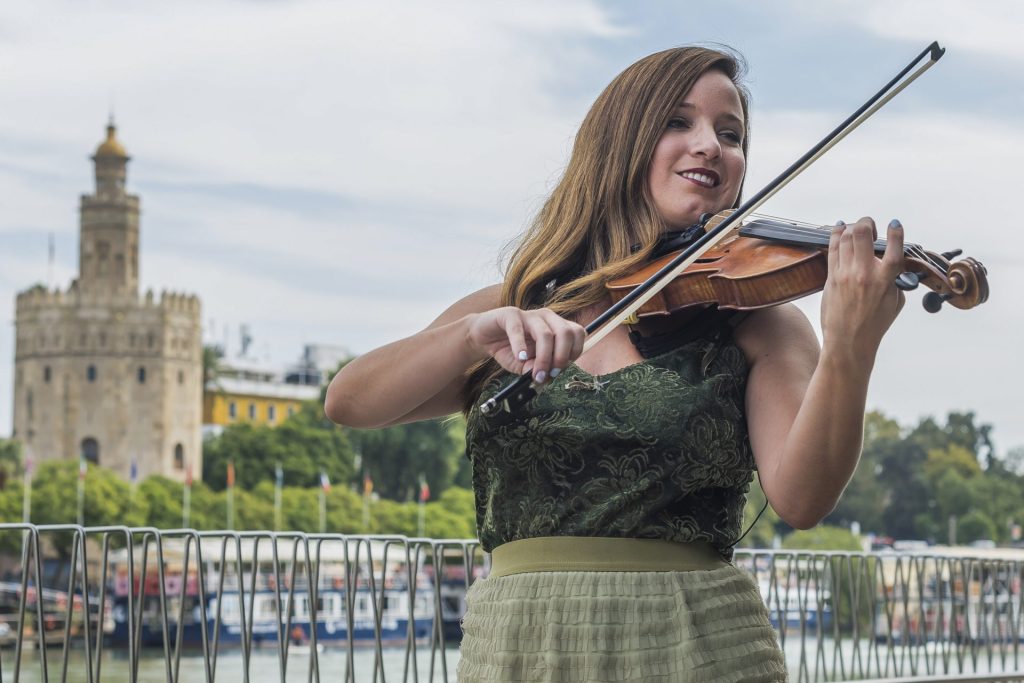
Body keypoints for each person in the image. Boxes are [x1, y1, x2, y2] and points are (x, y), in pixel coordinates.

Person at [325, 45, 905, 682]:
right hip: (520, 646)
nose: (711, 144)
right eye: (678, 122)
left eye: (731, 132)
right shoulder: (509, 312)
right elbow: (350, 403)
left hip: (695, 639)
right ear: (620, 145)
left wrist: (851, 348)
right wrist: (469, 336)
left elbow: (802, 499)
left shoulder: (758, 321)